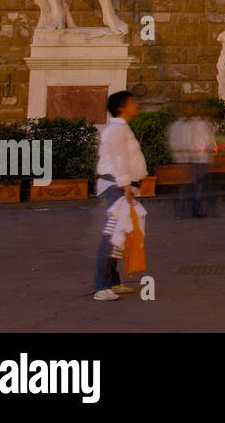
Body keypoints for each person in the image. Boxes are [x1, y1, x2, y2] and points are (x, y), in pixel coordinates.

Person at [93, 90, 148, 301]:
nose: (137, 105)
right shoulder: (117, 130)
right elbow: (119, 158)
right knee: (111, 235)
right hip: (116, 185)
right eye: (133, 102)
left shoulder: (121, 129)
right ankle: (102, 286)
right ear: (122, 107)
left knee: (119, 235)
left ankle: (113, 282)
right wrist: (125, 184)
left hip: (121, 185)